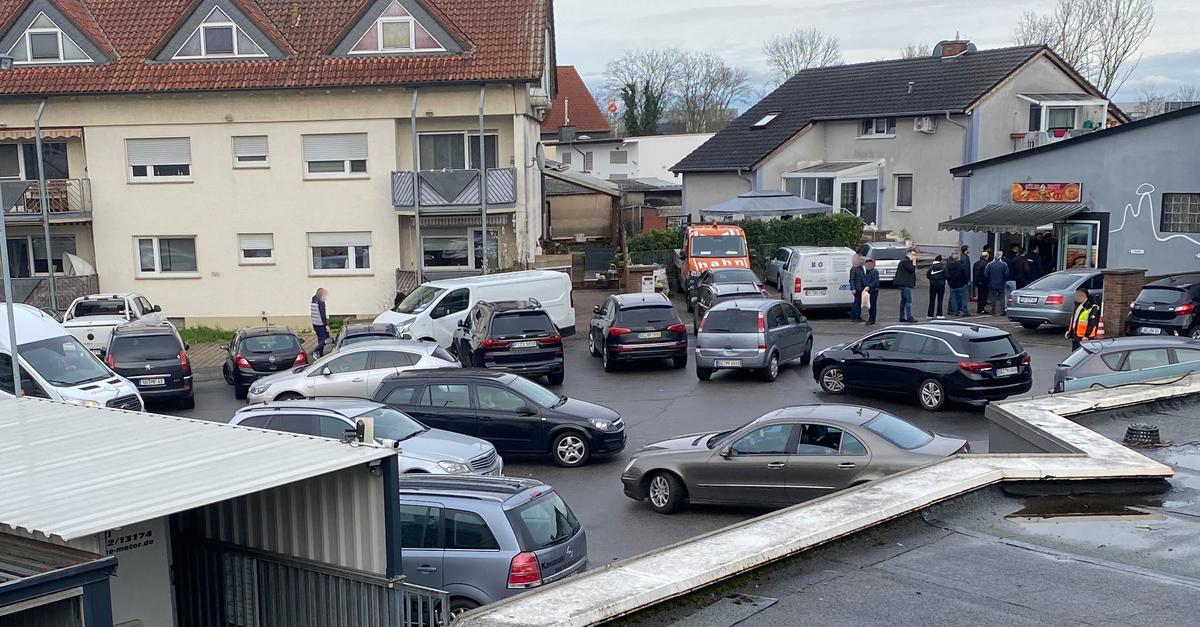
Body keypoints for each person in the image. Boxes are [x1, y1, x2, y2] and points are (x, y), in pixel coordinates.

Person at [894, 248, 918, 322]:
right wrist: (914, 262)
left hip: (903, 284)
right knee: (908, 301)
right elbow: (912, 269)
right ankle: (909, 317)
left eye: (915, 255)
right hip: (906, 284)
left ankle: (902, 317)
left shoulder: (904, 261)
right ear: (908, 254)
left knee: (904, 301)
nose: (914, 257)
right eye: (913, 255)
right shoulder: (906, 262)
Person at [946, 253, 971, 317]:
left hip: (952, 285)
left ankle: (955, 311)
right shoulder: (961, 266)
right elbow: (965, 275)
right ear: (958, 258)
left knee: (953, 299)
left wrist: (949, 283)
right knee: (963, 299)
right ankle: (964, 311)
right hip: (961, 284)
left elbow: (947, 275)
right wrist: (966, 282)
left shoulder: (948, 266)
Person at [310, 288, 329, 358]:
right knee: (325, 339)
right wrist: (326, 325)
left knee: (320, 339)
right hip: (320, 323)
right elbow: (322, 314)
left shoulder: (313, 299)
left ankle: (321, 354)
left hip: (315, 323)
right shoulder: (321, 302)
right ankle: (315, 350)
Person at [926, 254, 946, 319]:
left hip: (932, 285)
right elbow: (947, 275)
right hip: (941, 284)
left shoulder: (931, 267)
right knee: (940, 300)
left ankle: (930, 315)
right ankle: (939, 314)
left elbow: (928, 275)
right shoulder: (943, 267)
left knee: (932, 300)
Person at [849, 254, 866, 322]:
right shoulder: (854, 269)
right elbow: (851, 279)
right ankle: (856, 317)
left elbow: (863, 277)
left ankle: (856, 317)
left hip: (861, 288)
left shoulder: (860, 268)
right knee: (857, 303)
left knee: (858, 303)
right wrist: (853, 288)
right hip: (857, 289)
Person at [863, 258, 880, 325]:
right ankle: (871, 318)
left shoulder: (874, 271)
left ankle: (872, 319)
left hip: (873, 290)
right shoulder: (867, 271)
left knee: (872, 305)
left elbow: (876, 281)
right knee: (869, 305)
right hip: (868, 290)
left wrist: (869, 286)